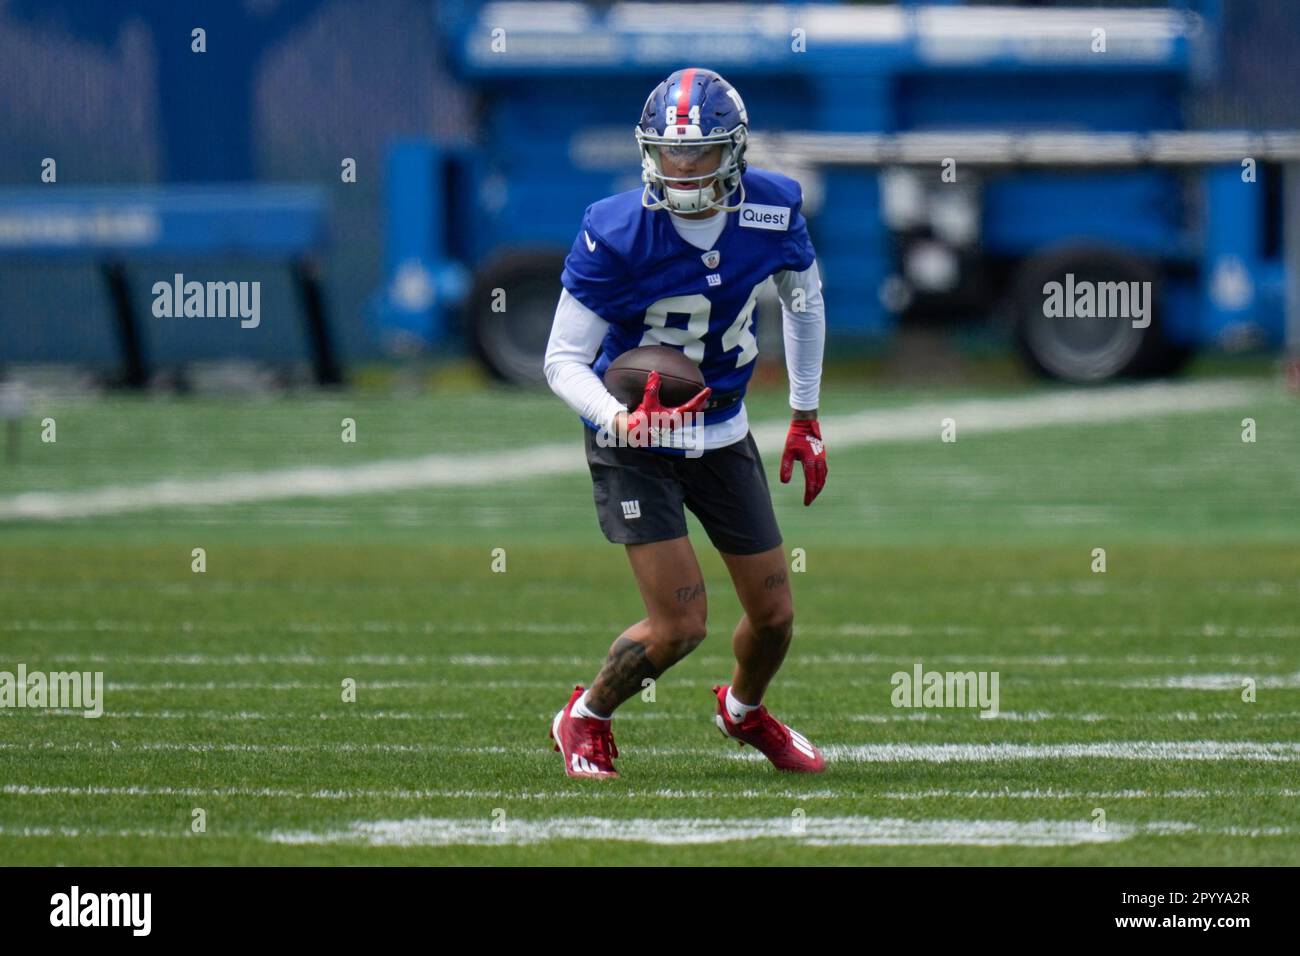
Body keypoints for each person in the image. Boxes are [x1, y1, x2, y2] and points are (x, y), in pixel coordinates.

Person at [542, 67, 828, 778]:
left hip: (723, 427)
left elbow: (804, 303)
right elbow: (561, 360)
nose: (683, 165)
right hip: (634, 437)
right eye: (670, 151)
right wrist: (618, 416)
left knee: (775, 617)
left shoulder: (772, 207)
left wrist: (805, 413)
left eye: (699, 151)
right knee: (680, 624)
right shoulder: (616, 230)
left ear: (733, 151)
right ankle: (584, 717)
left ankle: (742, 711)